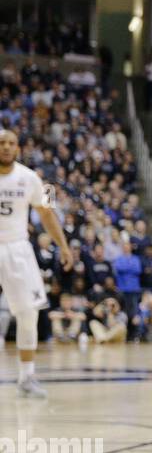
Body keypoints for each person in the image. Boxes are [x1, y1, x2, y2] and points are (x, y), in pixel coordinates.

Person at [0, 130, 74, 396]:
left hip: (18, 248)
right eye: (2, 143)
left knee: (29, 313)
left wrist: (63, 246)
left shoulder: (30, 177)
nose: (6, 147)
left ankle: (26, 377)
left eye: (11, 143)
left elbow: (47, 213)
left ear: (18, 148)